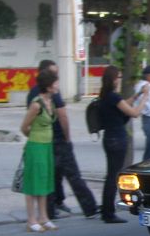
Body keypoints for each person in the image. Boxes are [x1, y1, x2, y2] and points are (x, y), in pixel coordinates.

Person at [28, 60, 98, 219]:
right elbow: (63, 115)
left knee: (51, 176)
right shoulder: (52, 94)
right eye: (54, 74)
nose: (57, 78)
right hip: (58, 140)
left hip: (43, 141)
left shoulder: (32, 93)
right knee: (73, 175)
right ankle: (90, 207)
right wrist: (67, 138)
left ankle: (50, 211)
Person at [98, 65, 149, 223]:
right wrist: (145, 97)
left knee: (110, 175)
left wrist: (137, 95)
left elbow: (124, 104)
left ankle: (106, 209)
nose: (120, 80)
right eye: (119, 77)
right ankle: (108, 213)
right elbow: (133, 113)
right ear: (114, 80)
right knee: (114, 176)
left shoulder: (106, 96)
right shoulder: (113, 97)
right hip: (117, 139)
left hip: (109, 138)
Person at [20, 68, 59, 232]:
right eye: (55, 83)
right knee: (32, 182)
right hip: (36, 146)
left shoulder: (52, 102)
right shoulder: (36, 105)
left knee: (44, 180)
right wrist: (34, 138)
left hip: (47, 146)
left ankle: (43, 217)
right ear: (49, 86)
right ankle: (31, 219)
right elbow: (24, 127)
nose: (58, 86)